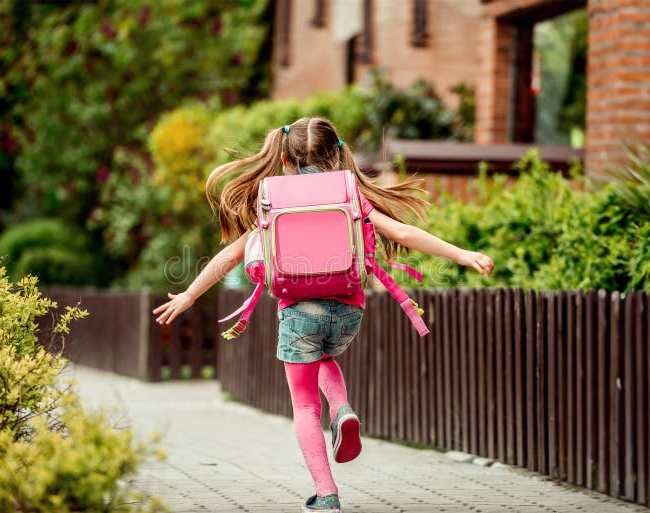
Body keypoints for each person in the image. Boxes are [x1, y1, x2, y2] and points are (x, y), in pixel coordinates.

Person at [153, 117, 494, 513]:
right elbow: (401, 234)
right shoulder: (350, 196)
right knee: (326, 355)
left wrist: (191, 296)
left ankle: (327, 495)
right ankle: (343, 409)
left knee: (304, 406)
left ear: (283, 158)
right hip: (348, 311)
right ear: (336, 155)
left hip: (298, 312)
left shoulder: (272, 199)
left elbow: (230, 255)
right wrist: (460, 254)